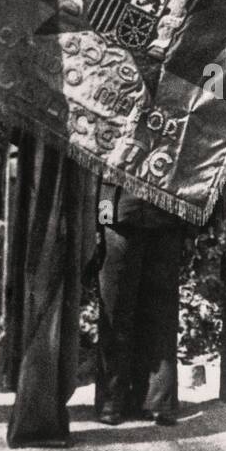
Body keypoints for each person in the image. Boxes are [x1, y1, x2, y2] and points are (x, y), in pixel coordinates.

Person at [93, 181, 190, 428]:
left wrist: (190, 222)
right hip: (119, 214)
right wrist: (102, 217)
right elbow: (100, 158)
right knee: (115, 308)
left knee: (161, 311)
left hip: (168, 210)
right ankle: (113, 398)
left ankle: (158, 401)